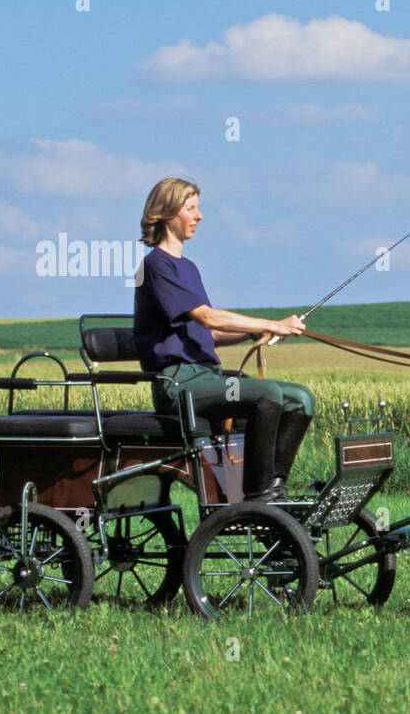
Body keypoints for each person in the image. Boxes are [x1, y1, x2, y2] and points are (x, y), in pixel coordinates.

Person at [134, 177, 315, 502]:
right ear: (166, 213)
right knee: (267, 393)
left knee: (301, 398)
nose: (199, 215)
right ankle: (257, 497)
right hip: (177, 385)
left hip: (208, 377)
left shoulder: (187, 268)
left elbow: (210, 333)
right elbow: (207, 316)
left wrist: (253, 332)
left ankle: (274, 488)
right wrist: (273, 323)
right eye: (191, 208)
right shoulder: (154, 266)